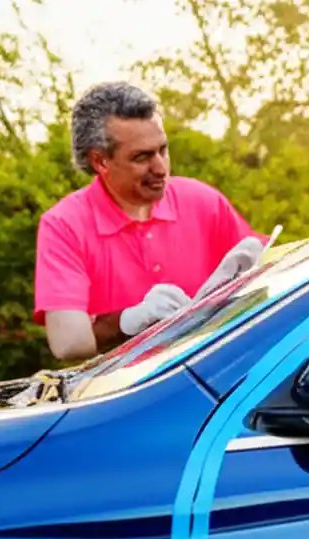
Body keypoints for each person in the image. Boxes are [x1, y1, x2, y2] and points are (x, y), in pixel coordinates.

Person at [34, 81, 265, 361]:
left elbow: (269, 287)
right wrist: (130, 321)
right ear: (100, 161)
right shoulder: (64, 225)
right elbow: (68, 343)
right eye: (142, 157)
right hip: (135, 396)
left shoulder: (203, 201)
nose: (160, 168)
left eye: (163, 150)